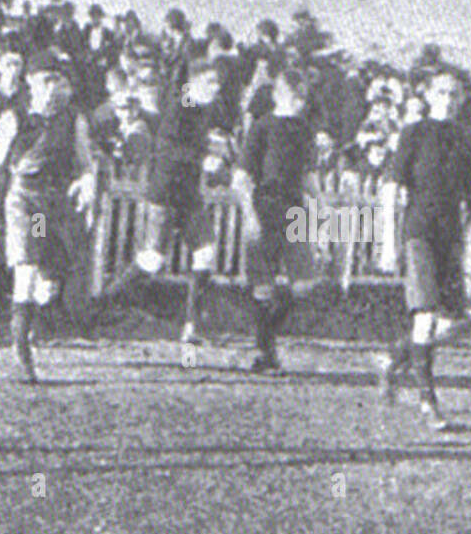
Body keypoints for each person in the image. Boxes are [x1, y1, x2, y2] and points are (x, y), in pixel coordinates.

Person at [374, 70, 471, 430]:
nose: (447, 99)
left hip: (451, 239)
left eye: (454, 94)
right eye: (441, 92)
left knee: (451, 322)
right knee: (426, 317)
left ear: (461, 99)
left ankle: (393, 359)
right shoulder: (413, 133)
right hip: (419, 233)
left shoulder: (464, 138)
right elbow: (391, 189)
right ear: (429, 95)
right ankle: (428, 402)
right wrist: (388, 242)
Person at [0, 46, 98, 383]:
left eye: (60, 81)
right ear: (31, 82)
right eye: (47, 81)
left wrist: (88, 184)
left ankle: (32, 321)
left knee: (47, 282)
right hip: (22, 198)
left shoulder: (73, 119)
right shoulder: (14, 118)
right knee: (26, 271)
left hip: (50, 203)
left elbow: (85, 163)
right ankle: (21, 352)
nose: (54, 89)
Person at [104, 53, 222, 344]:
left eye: (218, 81)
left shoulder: (203, 107)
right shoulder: (181, 106)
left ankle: (192, 326)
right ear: (194, 82)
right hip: (165, 191)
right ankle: (103, 304)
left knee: (205, 251)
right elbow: (166, 149)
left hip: (189, 193)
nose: (217, 87)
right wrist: (203, 157)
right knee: (153, 259)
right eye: (211, 81)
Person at [233, 67, 325, 373]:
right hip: (264, 208)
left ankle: (266, 336)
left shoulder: (304, 130)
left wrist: (322, 207)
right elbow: (241, 178)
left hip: (294, 210)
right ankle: (264, 354)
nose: (300, 101)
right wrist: (249, 215)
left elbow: (310, 177)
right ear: (279, 94)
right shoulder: (261, 127)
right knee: (263, 287)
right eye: (294, 94)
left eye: (303, 96)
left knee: (305, 284)